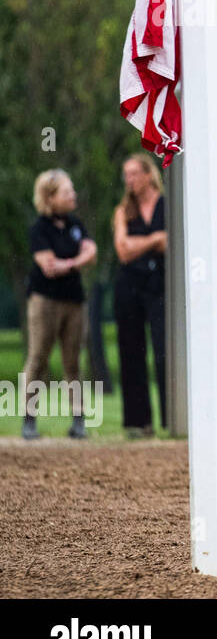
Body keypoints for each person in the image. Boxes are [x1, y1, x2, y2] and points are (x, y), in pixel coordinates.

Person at [23, 170, 96, 440]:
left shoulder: (75, 224)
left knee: (73, 362)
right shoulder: (39, 229)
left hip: (74, 300)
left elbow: (92, 252)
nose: (73, 196)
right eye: (67, 192)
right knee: (38, 359)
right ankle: (29, 419)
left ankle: (78, 421)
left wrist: (69, 263)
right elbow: (48, 266)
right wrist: (77, 260)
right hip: (45, 300)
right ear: (49, 197)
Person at [112, 153, 167, 437]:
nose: (130, 180)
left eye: (134, 173)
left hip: (161, 286)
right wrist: (155, 240)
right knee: (131, 351)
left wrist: (139, 243)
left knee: (165, 350)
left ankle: (172, 418)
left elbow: (171, 243)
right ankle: (137, 422)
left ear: (148, 174)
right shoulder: (123, 211)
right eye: (127, 175)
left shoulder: (167, 205)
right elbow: (123, 251)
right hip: (130, 287)